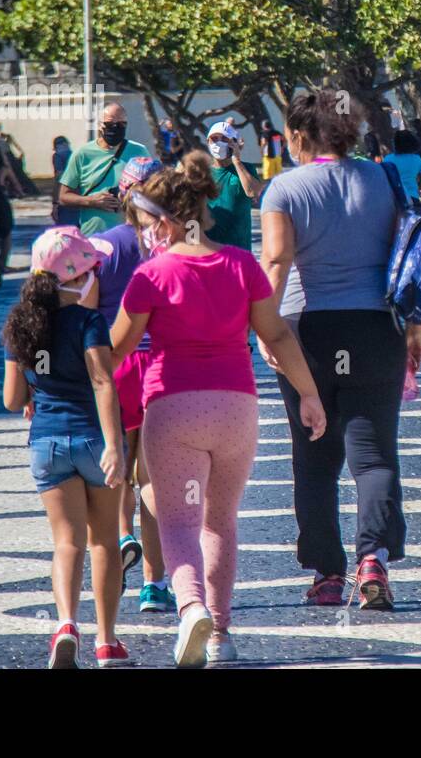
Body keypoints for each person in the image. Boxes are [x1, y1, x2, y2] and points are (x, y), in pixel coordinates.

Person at [111, 153, 326, 666]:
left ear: (163, 220)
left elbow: (115, 349)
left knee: (180, 523)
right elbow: (275, 333)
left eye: (146, 221)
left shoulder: (153, 274)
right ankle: (221, 636)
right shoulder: (241, 265)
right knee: (221, 522)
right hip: (236, 407)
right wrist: (310, 394)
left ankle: (190, 609)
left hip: (174, 406)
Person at [260, 89, 421, 612]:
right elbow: (408, 258)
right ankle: (372, 558)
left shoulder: (284, 189)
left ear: (302, 136)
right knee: (374, 458)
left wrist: (263, 330)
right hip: (376, 328)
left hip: (306, 330)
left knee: (313, 457)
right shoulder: (383, 179)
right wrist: (414, 330)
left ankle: (328, 574)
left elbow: (277, 263)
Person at [1, 227, 129, 668]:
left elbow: (12, 400)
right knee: (106, 543)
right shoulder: (89, 321)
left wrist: (37, 391)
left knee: (67, 543)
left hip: (48, 444)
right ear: (79, 277)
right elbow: (102, 381)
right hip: (93, 439)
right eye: (94, 268)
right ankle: (108, 640)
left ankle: (65, 624)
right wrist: (116, 445)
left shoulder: (20, 322)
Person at [93, 156, 172, 611]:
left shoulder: (102, 247)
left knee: (114, 464)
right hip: (159, 364)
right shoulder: (169, 247)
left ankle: (122, 536)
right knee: (153, 479)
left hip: (113, 364)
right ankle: (155, 585)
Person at [57, 104, 149, 235]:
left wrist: (127, 197)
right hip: (93, 237)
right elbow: (63, 196)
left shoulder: (139, 151)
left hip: (130, 236)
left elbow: (152, 190)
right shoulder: (83, 154)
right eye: (110, 124)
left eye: (122, 124)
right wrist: (92, 201)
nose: (116, 128)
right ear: (100, 125)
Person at [202, 119, 266, 252]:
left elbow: (254, 192)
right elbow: (191, 210)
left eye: (224, 139)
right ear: (208, 142)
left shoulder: (246, 168)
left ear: (234, 144)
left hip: (239, 250)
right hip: (209, 250)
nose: (218, 142)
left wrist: (236, 161)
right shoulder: (203, 172)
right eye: (214, 139)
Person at [382, 129, 421, 204]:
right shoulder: (416, 159)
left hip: (393, 200)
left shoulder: (388, 159)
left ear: (396, 144)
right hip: (413, 198)